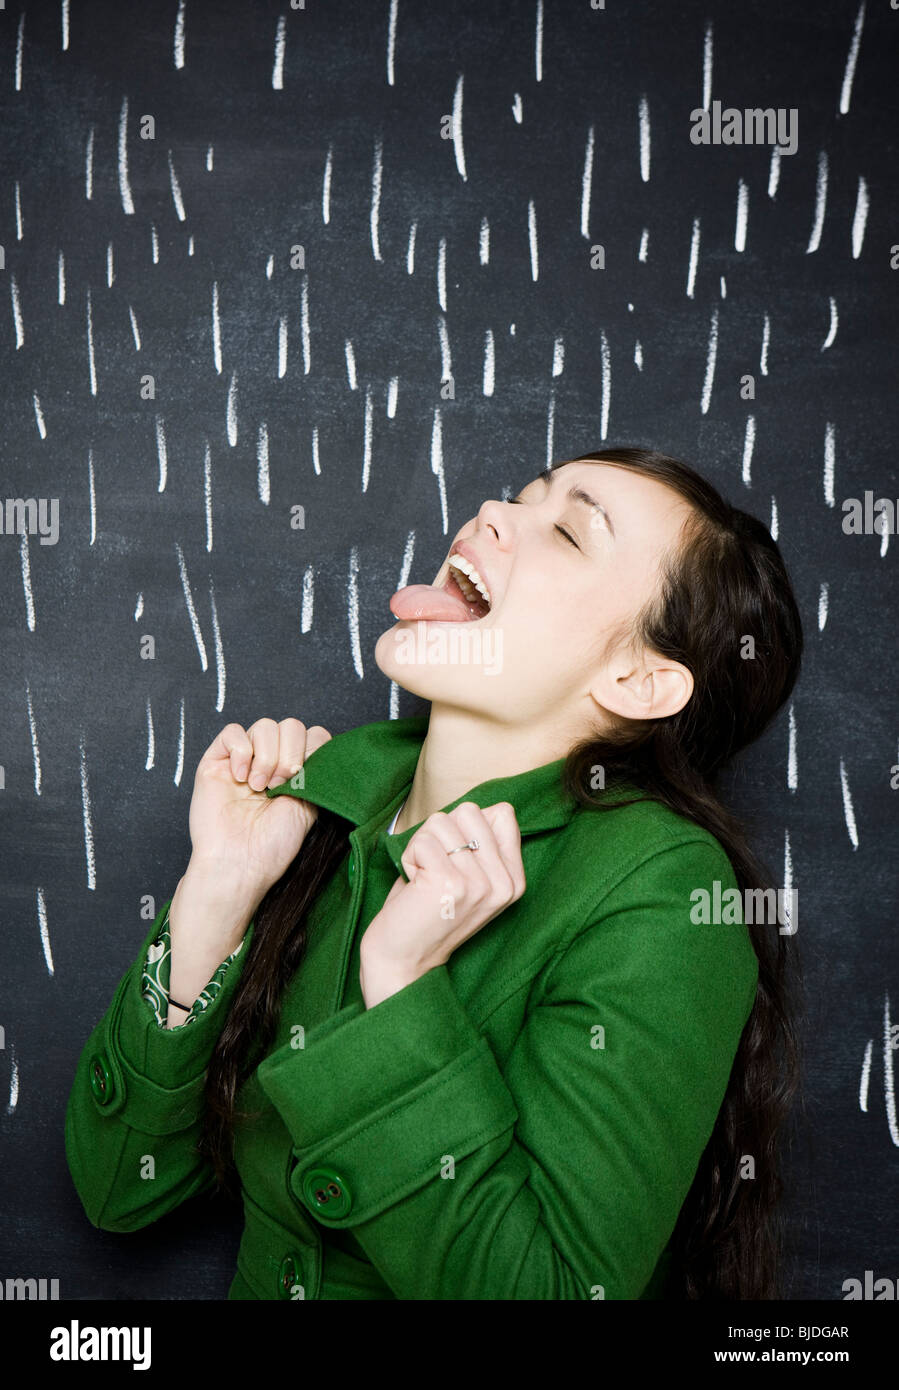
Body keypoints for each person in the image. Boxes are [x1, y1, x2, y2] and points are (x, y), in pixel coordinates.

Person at [65, 445, 803, 1299]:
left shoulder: (663, 894)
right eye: (526, 495)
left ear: (637, 679)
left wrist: (404, 988)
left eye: (566, 531)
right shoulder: (322, 807)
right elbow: (119, 1189)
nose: (495, 511)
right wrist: (218, 894)